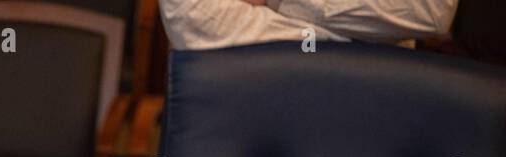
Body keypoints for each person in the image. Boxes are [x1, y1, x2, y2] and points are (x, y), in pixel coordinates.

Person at [159, 0, 459, 50]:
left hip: (373, 106)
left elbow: (429, 12)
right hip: (251, 118)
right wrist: (368, 31)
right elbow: (188, 11)